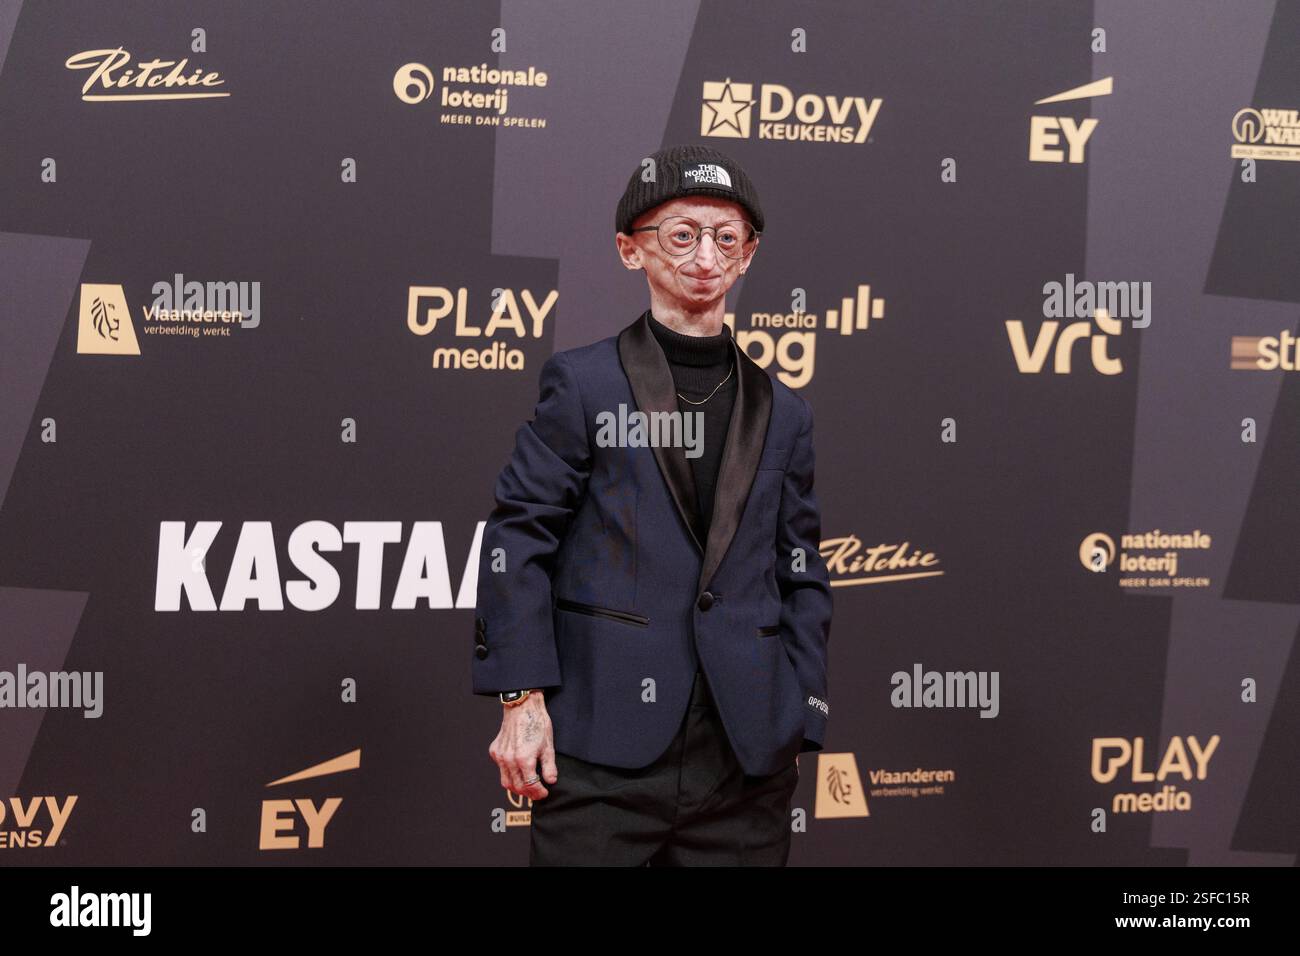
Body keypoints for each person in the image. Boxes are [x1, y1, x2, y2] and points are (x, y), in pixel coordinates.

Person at [471, 143, 832, 865]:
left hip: (744, 763)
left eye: (726, 237)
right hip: (603, 753)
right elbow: (519, 537)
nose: (705, 255)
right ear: (630, 250)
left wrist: (801, 716)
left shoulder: (783, 411)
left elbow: (802, 572)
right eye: (681, 234)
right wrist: (521, 698)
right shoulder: (583, 385)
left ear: (748, 255)